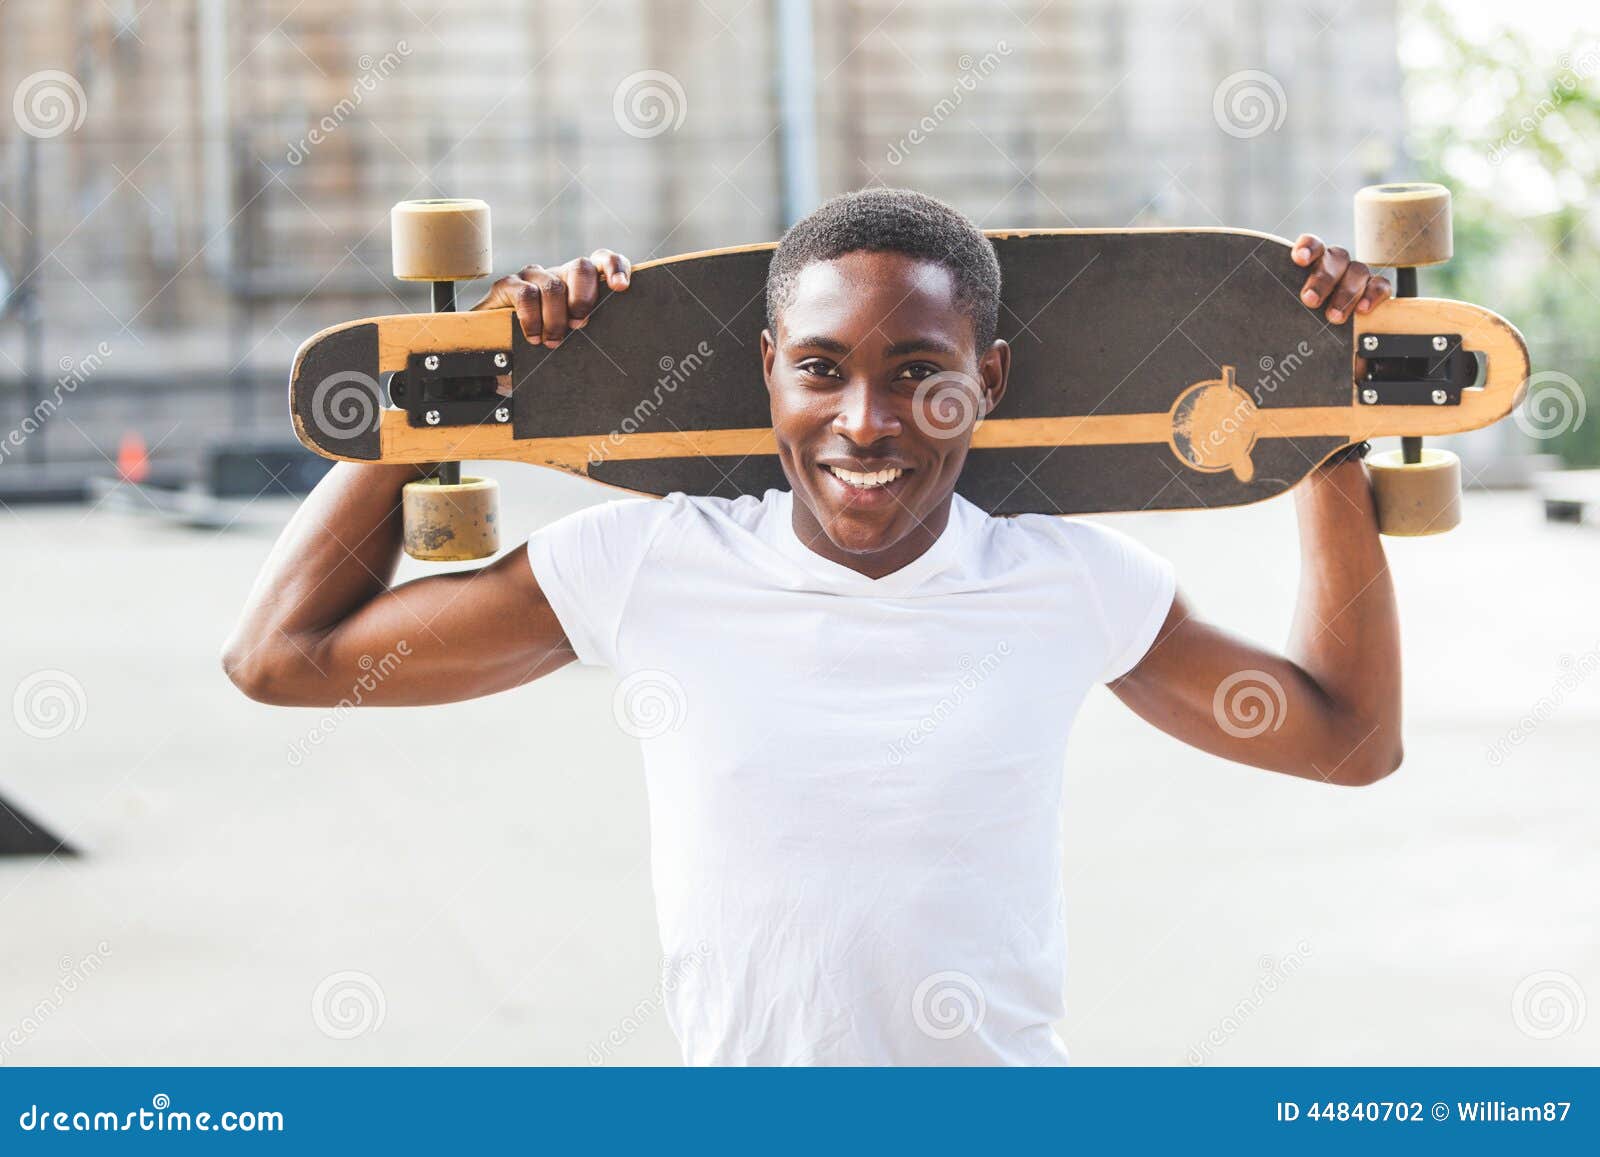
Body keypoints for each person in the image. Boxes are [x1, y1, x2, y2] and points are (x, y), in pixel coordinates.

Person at [224, 188, 1400, 1065]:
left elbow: (1347, 740)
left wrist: (1328, 430)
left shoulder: (1068, 582)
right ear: (768, 371)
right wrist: (444, 389)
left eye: (917, 372)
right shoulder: (649, 562)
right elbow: (282, 659)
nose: (866, 421)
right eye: (823, 370)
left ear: (987, 380)